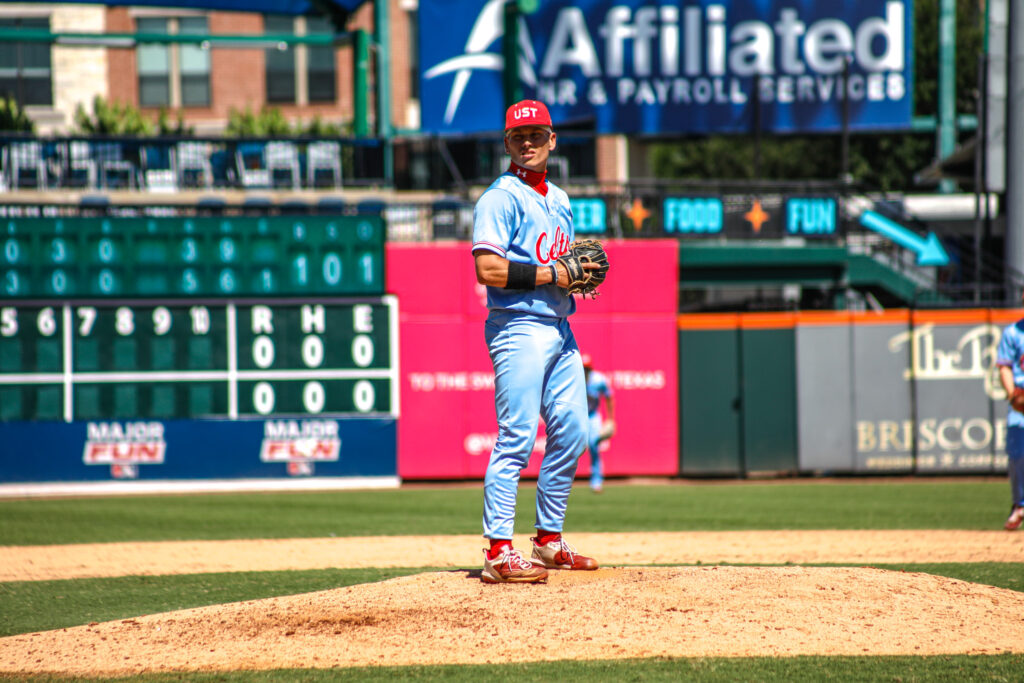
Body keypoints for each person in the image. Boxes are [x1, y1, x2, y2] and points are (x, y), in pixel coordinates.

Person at [471, 99, 602, 584]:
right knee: (518, 436)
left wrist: (572, 276)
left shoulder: (561, 199)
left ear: (552, 140)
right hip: (517, 325)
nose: (528, 143)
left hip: (560, 327)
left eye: (536, 135)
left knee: (574, 430)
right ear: (507, 143)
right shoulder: (499, 198)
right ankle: (498, 551)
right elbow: (487, 269)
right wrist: (551, 273)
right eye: (518, 136)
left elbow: (564, 271)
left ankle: (548, 540)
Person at [996, 305, 1024, 531]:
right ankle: (1020, 504)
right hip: (1021, 397)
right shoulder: (1013, 332)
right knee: (1017, 455)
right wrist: (1012, 395)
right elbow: (1004, 366)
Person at [582, 354, 615, 493]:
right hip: (578, 416)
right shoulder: (573, 380)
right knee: (571, 447)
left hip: (592, 416)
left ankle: (596, 482)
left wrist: (611, 419)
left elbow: (609, 396)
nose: (585, 371)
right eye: (583, 368)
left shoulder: (598, 380)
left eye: (587, 368)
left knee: (594, 445)